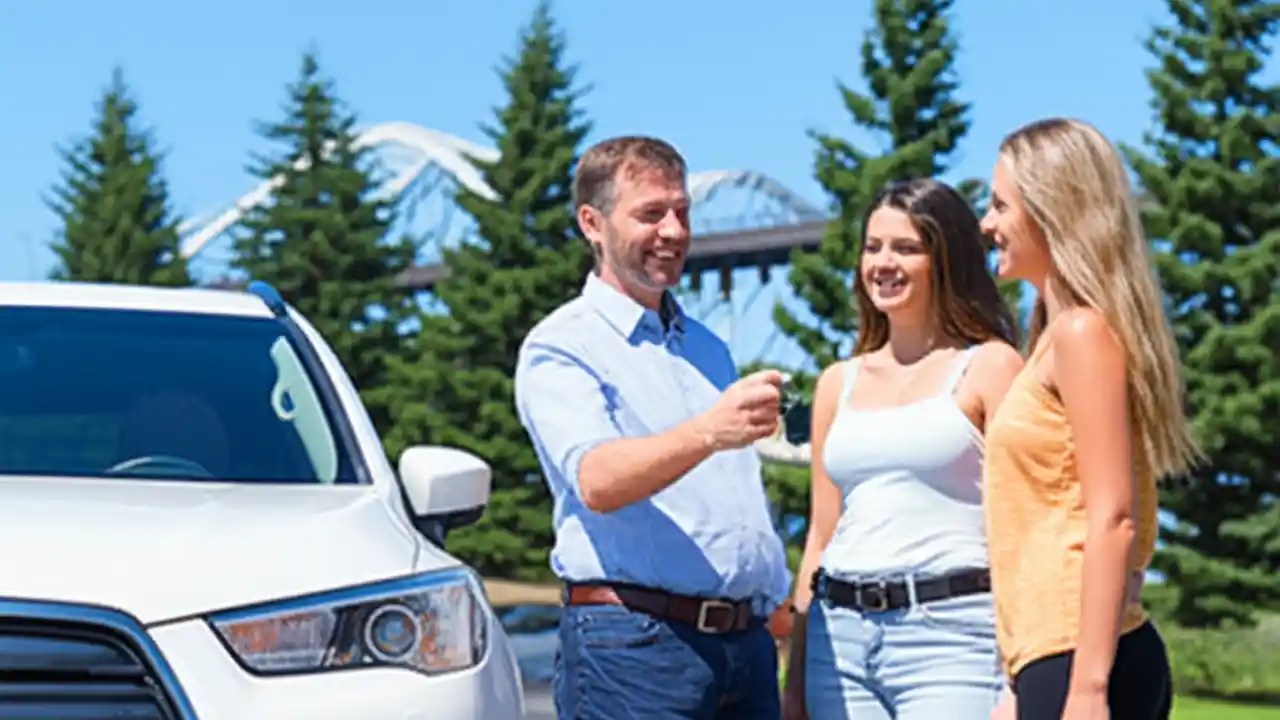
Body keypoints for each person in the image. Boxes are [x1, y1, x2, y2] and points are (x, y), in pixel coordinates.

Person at [513, 135, 792, 719]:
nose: (674, 231)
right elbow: (597, 480)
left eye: (682, 212)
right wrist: (710, 430)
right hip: (636, 650)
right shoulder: (562, 346)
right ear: (593, 223)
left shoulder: (707, 348)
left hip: (745, 648)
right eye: (651, 214)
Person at [978, 116, 1201, 719]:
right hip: (1050, 654)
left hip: (1079, 657)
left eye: (1000, 205)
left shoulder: (1082, 334)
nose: (986, 224)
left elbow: (1116, 518)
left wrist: (1088, 688)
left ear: (1049, 210)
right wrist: (1016, 682)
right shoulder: (1056, 340)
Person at [781, 177, 1025, 720]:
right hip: (837, 642)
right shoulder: (835, 383)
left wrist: (1016, 679)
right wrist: (794, 681)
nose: (882, 263)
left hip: (952, 640)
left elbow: (1022, 529)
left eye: (906, 248)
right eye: (873, 247)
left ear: (946, 260)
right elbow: (821, 536)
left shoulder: (990, 366)